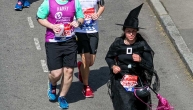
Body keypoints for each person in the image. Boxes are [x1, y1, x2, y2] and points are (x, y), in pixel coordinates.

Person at [105, 3, 155, 110]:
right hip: (121, 79)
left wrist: (141, 60)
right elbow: (109, 57)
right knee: (126, 105)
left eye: (133, 31)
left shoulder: (142, 45)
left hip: (138, 80)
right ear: (124, 31)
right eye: (128, 31)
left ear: (136, 32)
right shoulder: (118, 43)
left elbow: (150, 65)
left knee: (139, 106)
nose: (131, 34)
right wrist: (113, 66)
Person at [36, 0, 84, 109]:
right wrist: (52, 26)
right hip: (53, 42)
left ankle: (62, 97)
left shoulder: (74, 2)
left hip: (69, 41)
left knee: (69, 71)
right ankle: (52, 84)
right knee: (56, 74)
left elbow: (81, 17)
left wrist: (78, 22)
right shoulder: (48, 2)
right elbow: (39, 17)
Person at [75, 0, 105, 98]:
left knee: (91, 62)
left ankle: (81, 67)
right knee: (86, 60)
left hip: (93, 31)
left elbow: (102, 6)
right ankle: (86, 87)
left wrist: (97, 14)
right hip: (79, 30)